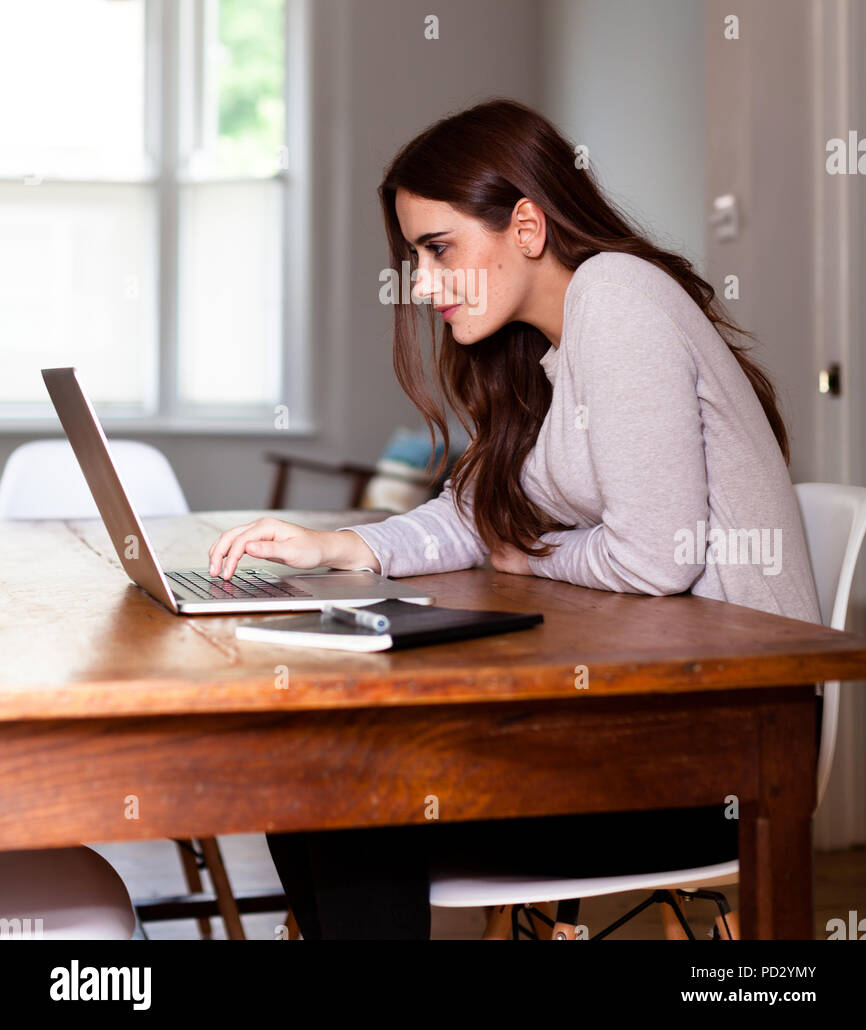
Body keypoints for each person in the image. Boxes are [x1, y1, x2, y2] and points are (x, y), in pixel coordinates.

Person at [209, 98, 823, 940]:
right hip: (655, 720)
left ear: (527, 226)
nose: (421, 284)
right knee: (308, 775)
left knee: (340, 790)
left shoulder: (618, 296)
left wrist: (531, 558)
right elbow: (476, 515)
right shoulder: (542, 351)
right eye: (415, 257)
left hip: (726, 756)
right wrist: (341, 545)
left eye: (438, 250)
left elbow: (656, 560)